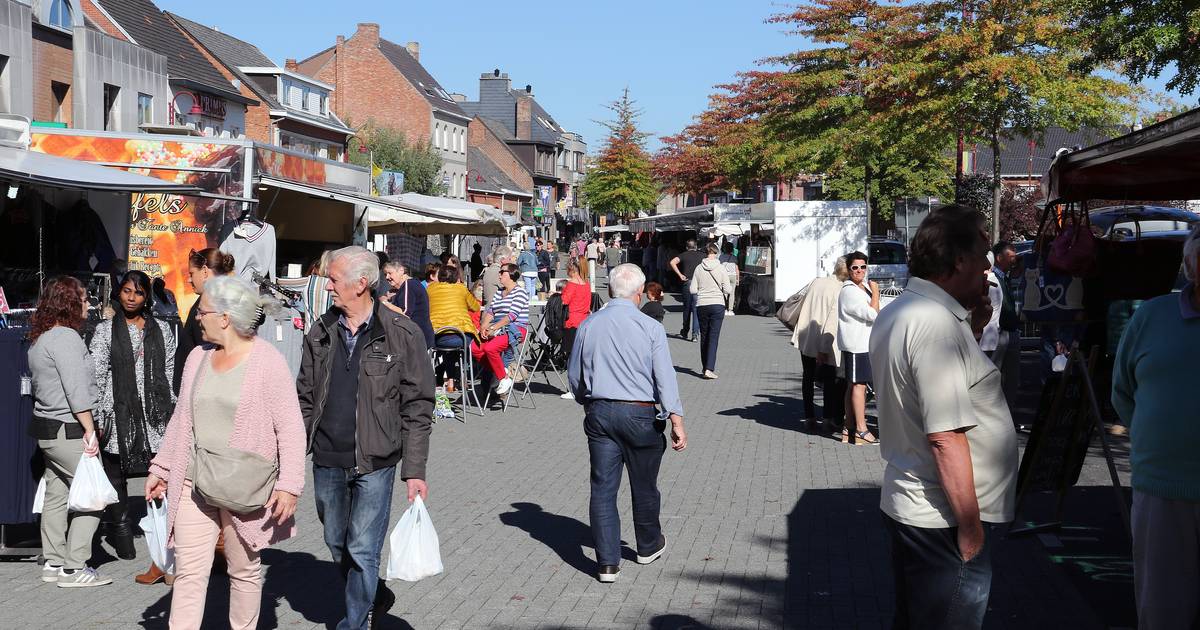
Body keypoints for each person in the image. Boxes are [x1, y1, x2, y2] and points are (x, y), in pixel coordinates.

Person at [870, 205, 1017, 630]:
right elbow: (946, 436)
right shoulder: (935, 326)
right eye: (983, 254)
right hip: (944, 519)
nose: (989, 267)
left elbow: (931, 391)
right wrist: (970, 530)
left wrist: (969, 331)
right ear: (959, 260)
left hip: (918, 504)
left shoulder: (905, 310)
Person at [144, 276, 306, 629]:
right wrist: (162, 468)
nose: (196, 318)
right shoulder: (197, 358)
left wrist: (289, 484)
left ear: (225, 318)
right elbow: (180, 419)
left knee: (244, 571)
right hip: (193, 480)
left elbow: (291, 427)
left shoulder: (268, 362)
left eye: (202, 312)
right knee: (189, 571)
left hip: (243, 485)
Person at [296, 246, 435, 630]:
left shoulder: (402, 333)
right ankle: (375, 591)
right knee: (336, 541)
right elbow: (305, 397)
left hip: (376, 459)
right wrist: (292, 454)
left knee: (363, 547)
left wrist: (415, 469)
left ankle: (355, 622)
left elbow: (419, 405)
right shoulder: (321, 331)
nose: (327, 287)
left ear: (361, 284)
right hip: (326, 456)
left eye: (334, 279)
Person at [567, 263, 688, 583]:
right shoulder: (650, 327)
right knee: (644, 483)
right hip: (640, 413)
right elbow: (665, 377)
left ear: (610, 291)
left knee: (603, 487)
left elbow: (575, 376)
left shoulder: (589, 325)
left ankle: (607, 562)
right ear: (638, 293)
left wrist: (585, 400)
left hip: (600, 413)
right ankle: (647, 545)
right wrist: (676, 419)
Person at [1111, 223, 1200, 630]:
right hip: (1162, 486)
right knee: (1164, 609)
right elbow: (1122, 392)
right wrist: (1156, 439)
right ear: (1190, 266)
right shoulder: (1152, 315)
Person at [89, 270, 177, 576]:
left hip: (153, 409)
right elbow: (97, 373)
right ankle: (121, 528)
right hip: (118, 410)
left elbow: (167, 369)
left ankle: (165, 532)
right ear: (119, 292)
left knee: (162, 470)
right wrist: (98, 413)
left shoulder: (162, 329)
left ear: (146, 297)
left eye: (138, 293)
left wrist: (171, 406)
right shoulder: (104, 330)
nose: (131, 297)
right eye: (126, 291)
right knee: (115, 471)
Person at [28, 276, 112, 588]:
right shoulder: (65, 338)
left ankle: (53, 561)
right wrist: (90, 430)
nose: (89, 303)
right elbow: (76, 391)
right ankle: (74, 567)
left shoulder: (42, 338)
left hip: (48, 430)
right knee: (94, 495)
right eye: (84, 298)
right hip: (69, 429)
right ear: (69, 304)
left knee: (57, 494)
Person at [791, 259, 849, 432]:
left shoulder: (817, 282)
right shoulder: (840, 290)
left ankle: (809, 416)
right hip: (825, 340)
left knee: (807, 377)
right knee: (830, 381)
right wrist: (824, 349)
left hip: (806, 335)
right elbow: (832, 321)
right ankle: (827, 418)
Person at [177, 249, 235, 392]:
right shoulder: (208, 301)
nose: (189, 279)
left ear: (204, 271)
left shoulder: (211, 308)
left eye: (191, 274)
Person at [837, 251, 880, 445]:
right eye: (855, 267)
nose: (860, 271)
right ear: (848, 269)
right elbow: (872, 314)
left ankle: (849, 427)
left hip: (863, 343)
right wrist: (877, 293)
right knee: (858, 386)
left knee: (854, 385)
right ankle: (861, 429)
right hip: (856, 345)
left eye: (863, 267)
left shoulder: (861, 288)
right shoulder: (850, 291)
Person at [473, 263, 530, 396]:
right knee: (475, 347)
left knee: (490, 348)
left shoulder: (520, 292)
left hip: (514, 329)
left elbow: (511, 316)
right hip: (497, 327)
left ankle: (503, 377)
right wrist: (483, 326)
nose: (499, 274)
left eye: (502, 272)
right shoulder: (499, 292)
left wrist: (493, 327)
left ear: (511, 275)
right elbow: (491, 311)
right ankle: (498, 370)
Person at [427, 264, 481, 391]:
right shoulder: (461, 289)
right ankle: (459, 378)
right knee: (461, 348)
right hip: (460, 336)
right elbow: (475, 307)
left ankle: (446, 377)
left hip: (437, 336)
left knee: (447, 348)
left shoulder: (430, 289)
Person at [689, 243, 732, 379]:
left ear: (706, 252)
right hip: (717, 304)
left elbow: (693, 290)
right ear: (716, 252)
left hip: (702, 304)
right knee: (713, 337)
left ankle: (704, 367)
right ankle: (709, 368)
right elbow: (728, 289)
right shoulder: (721, 268)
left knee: (704, 336)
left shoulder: (698, 268)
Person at [989, 241, 1021, 412]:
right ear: (1000, 258)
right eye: (1011, 258)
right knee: (995, 375)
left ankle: (1008, 411)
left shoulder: (1005, 277)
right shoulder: (993, 277)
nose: (1013, 262)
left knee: (1012, 377)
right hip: (999, 332)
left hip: (1010, 330)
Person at [559, 260, 593, 400]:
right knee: (582, 356)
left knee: (572, 357)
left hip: (571, 321)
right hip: (584, 321)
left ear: (571, 269)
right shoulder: (586, 284)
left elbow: (564, 301)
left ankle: (573, 388)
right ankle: (585, 386)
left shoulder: (571, 284)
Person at [383, 261, 434, 349]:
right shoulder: (411, 284)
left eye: (390, 273)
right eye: (385, 274)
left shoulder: (408, 284)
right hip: (416, 336)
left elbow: (405, 313)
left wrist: (385, 303)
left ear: (401, 271)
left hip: (415, 338)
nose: (387, 277)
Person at [669, 240, 706, 342]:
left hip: (687, 283)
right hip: (698, 284)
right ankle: (695, 334)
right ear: (696, 246)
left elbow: (672, 262)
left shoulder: (683, 255)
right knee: (696, 309)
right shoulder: (702, 255)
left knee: (687, 308)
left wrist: (680, 274)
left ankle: (685, 331)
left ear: (686, 247)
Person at [303, 251, 334, 332]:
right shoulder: (340, 283)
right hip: (332, 333)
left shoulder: (307, 281)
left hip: (310, 332)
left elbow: (281, 283)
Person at [720, 242, 740, 314]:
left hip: (725, 276)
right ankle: (730, 310)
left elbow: (719, 267)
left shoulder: (721, 257)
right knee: (732, 293)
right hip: (733, 276)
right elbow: (736, 269)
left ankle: (724, 308)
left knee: (725, 292)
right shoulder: (734, 257)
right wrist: (737, 279)